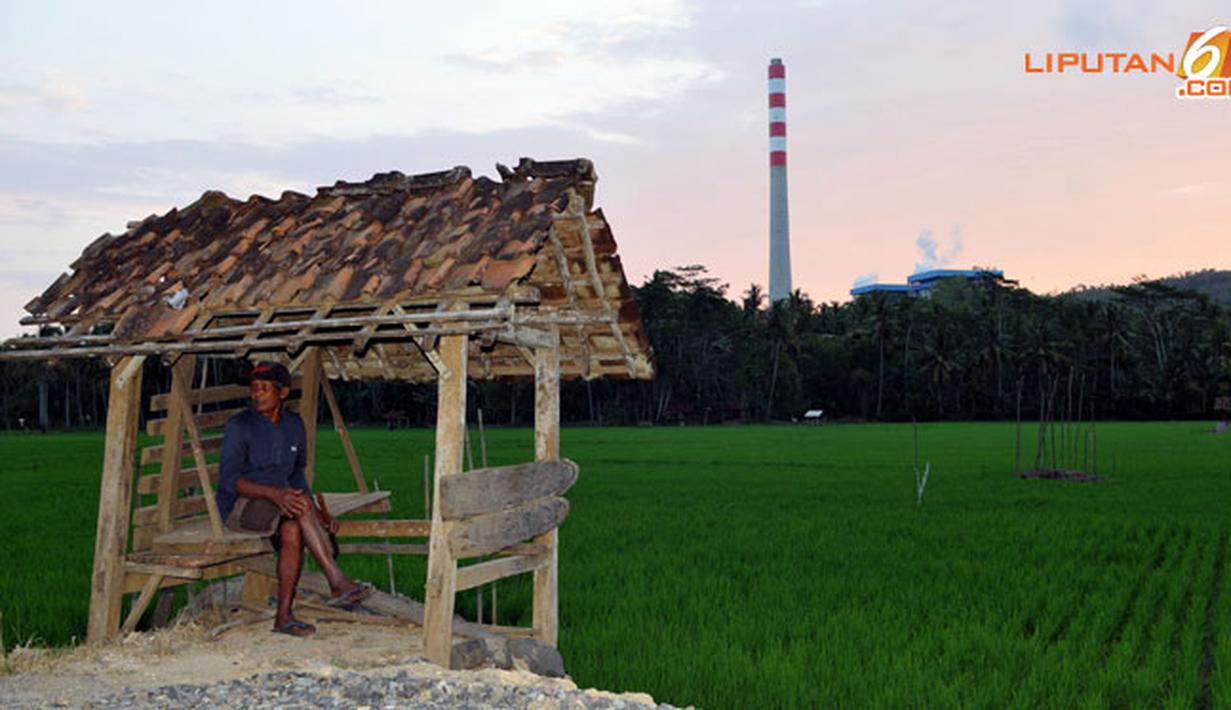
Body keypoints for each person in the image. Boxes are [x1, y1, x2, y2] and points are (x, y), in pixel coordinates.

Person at [217, 361, 372, 636]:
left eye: (264, 388)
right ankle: (337, 580)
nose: (257, 394)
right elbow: (230, 481)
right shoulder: (239, 426)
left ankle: (283, 618)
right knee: (298, 510)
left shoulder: (294, 425)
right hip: (241, 506)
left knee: (292, 528)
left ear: (283, 392)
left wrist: (319, 513)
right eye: (254, 388)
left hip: (283, 505)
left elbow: (296, 475)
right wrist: (276, 494)